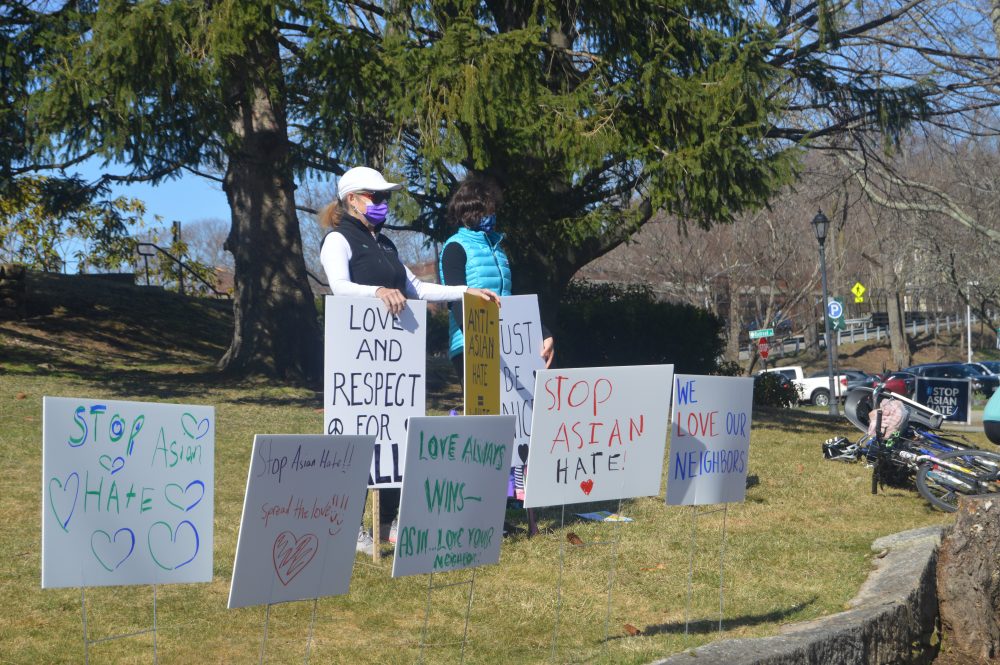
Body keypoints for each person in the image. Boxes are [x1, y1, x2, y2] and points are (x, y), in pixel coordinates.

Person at [319, 166, 500, 554]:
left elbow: (416, 288)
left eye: (385, 197)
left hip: (394, 361)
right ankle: (348, 526)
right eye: (375, 196)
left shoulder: (386, 245)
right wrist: (378, 292)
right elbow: (339, 287)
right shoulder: (338, 240)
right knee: (356, 437)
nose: (383, 203)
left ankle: (386, 522)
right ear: (352, 199)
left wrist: (467, 291)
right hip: (357, 359)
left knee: (394, 438)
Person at [438, 174, 554, 535]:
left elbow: (514, 302)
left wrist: (543, 333)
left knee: (515, 425)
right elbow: (454, 297)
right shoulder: (455, 248)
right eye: (487, 208)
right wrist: (480, 339)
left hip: (511, 348)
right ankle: (482, 511)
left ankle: (509, 503)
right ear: (471, 209)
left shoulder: (498, 248)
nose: (492, 214)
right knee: (485, 426)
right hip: (473, 347)